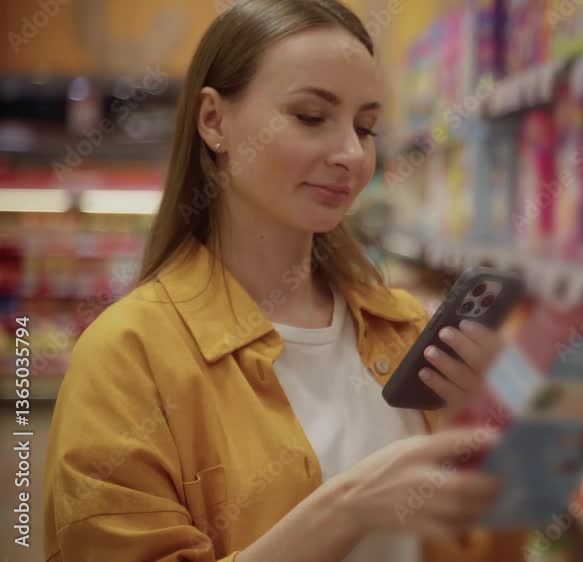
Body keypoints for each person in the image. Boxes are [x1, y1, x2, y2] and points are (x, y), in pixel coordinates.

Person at [42, 1, 521, 560]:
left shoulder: (413, 331)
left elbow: (493, 545)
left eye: (366, 127)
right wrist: (345, 510)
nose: (350, 154)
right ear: (214, 121)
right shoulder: (128, 357)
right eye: (311, 116)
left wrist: (502, 438)